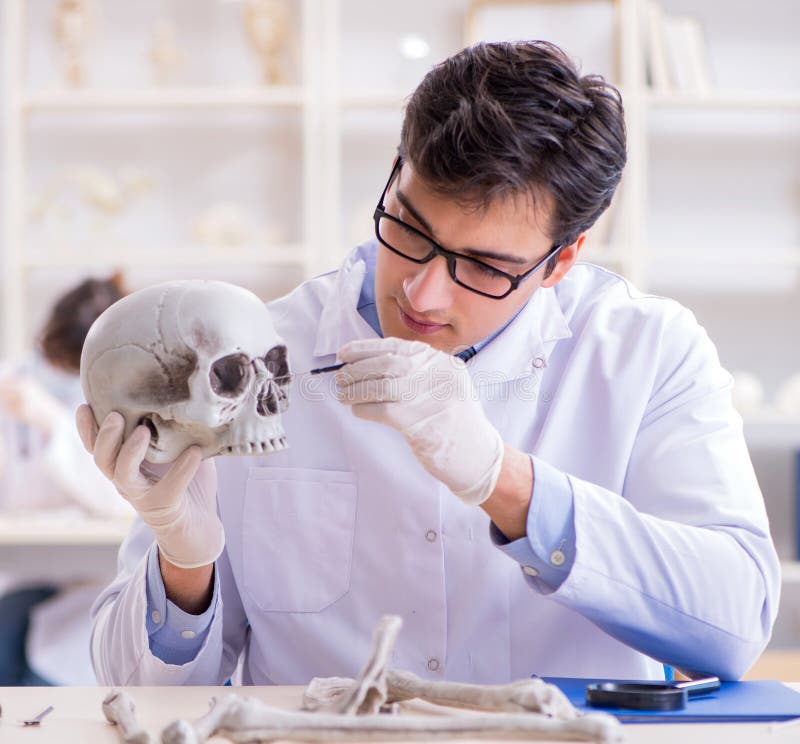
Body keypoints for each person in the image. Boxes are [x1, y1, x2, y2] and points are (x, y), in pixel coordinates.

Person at [79, 41, 780, 686]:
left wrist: (507, 483)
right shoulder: (254, 354)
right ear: (393, 174)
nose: (422, 291)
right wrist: (184, 559)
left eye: (483, 265)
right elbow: (133, 695)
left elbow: (734, 625)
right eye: (411, 229)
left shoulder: (645, 353)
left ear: (562, 259)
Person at [0, 274, 131, 685]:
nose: (60, 375)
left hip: (98, 586)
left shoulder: (127, 401)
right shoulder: (14, 382)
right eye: (54, 361)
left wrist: (51, 423)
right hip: (23, 578)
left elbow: (122, 498)